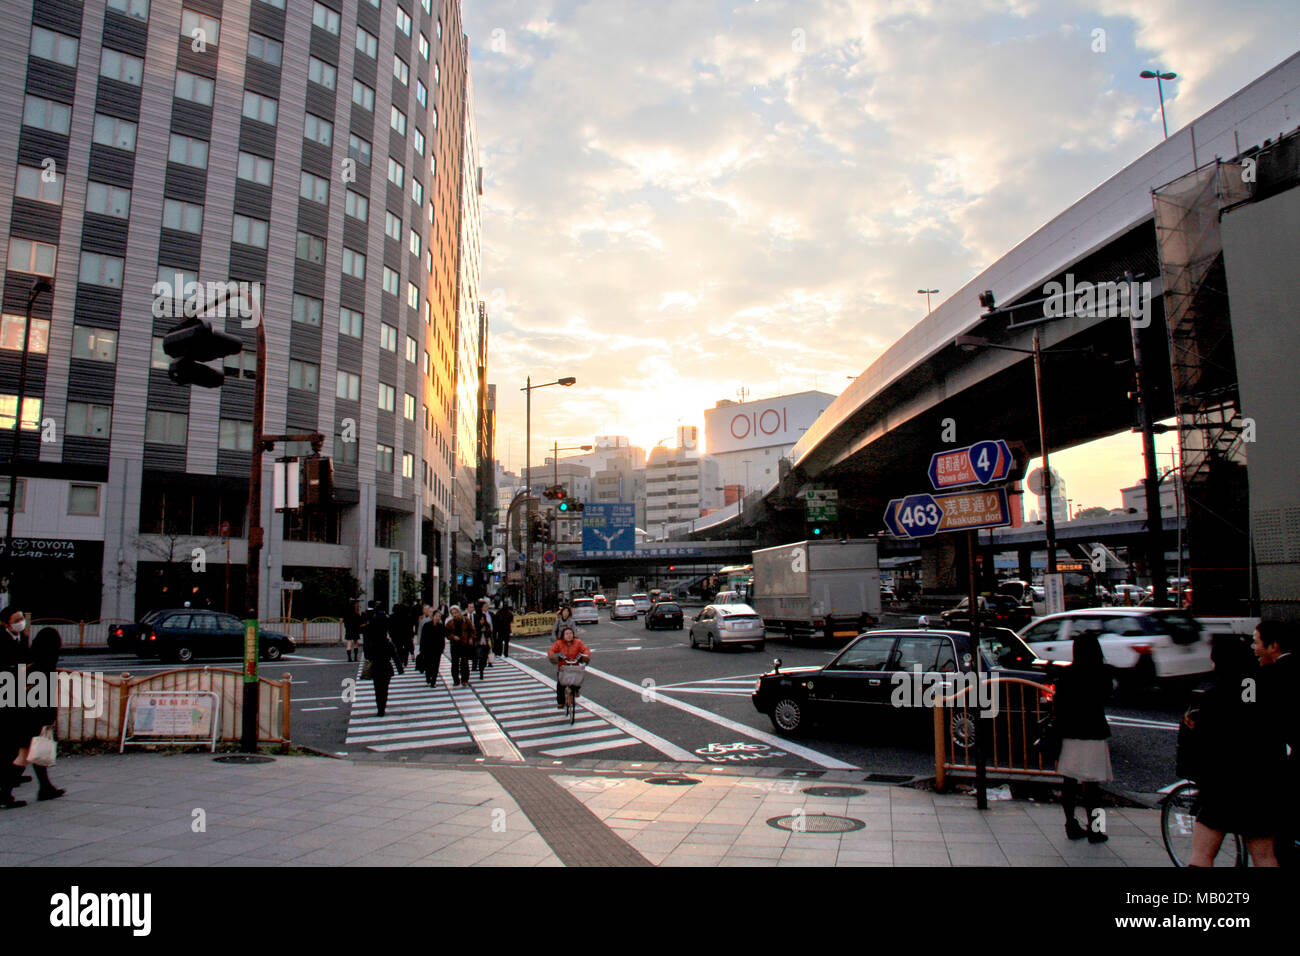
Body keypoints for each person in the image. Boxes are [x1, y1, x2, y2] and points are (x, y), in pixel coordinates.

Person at [1185, 633, 1283, 866]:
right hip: (1261, 785)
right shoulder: (1264, 688)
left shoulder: (1214, 697)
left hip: (1224, 786)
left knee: (1203, 853)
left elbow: (1203, 744)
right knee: (1264, 855)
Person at [1052, 630, 1112, 843]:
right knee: (1094, 786)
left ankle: (1070, 823)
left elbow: (1058, 705)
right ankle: (1096, 829)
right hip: (1094, 733)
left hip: (1070, 733)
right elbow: (1107, 695)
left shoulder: (1067, 674)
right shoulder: (1102, 673)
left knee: (1069, 782)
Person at [1254, 620, 1297, 866]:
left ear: (1273, 646)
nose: (1253, 646)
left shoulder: (1267, 675)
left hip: (1289, 755)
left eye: (1256, 641)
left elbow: (1247, 706)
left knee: (1284, 823)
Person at [19, 628, 64, 801]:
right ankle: (5, 791)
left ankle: (45, 787)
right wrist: (49, 718)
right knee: (25, 753)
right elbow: (45, 697)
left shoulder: (31, 663)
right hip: (35, 715)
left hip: (23, 713)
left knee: (32, 751)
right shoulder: (45, 667)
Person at [0, 607, 30, 808]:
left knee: (16, 740)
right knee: (10, 740)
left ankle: (12, 776)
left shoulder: (21, 638)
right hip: (6, 693)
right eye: (16, 619)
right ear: (5, 623)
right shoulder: (1, 640)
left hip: (16, 692)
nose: (21, 622)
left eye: (22, 618)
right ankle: (7, 784)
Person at [362, 602, 399, 717]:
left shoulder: (372, 642)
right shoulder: (388, 643)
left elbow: (368, 654)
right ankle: (382, 706)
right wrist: (400, 668)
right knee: (385, 688)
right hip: (386, 667)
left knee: (377, 688)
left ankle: (379, 707)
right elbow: (394, 656)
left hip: (376, 666)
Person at [548, 625, 591, 710]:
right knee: (560, 684)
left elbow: (585, 649)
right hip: (563, 666)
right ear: (563, 635)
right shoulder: (559, 643)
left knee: (578, 679)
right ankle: (560, 702)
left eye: (570, 633)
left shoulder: (578, 642)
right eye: (567, 634)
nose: (569, 635)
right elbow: (551, 650)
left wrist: (585, 655)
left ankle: (576, 690)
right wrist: (553, 656)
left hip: (575, 666)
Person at [446, 606, 474, 688]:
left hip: (464, 644)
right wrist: (452, 637)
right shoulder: (450, 623)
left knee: (464, 662)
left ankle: (464, 679)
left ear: (459, 612)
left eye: (456, 612)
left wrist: (471, 638)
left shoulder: (466, 620)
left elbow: (472, 630)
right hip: (454, 645)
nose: (455, 615)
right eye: (453, 613)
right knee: (455, 663)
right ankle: (456, 680)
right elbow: (447, 633)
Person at [419, 605, 446, 687]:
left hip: (437, 649)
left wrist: (442, 648)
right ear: (433, 616)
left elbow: (442, 638)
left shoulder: (441, 626)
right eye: (436, 616)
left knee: (436, 665)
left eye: (439, 616)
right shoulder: (427, 625)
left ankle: (433, 681)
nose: (438, 618)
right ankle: (428, 676)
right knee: (428, 664)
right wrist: (422, 649)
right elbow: (423, 638)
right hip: (427, 649)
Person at [472, 601, 493, 679]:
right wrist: (480, 629)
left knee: (484, 657)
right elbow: (474, 628)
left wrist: (486, 629)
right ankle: (480, 672)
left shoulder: (484, 615)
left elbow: (488, 627)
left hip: (485, 640)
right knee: (480, 656)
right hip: (478, 641)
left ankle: (482, 669)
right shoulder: (475, 616)